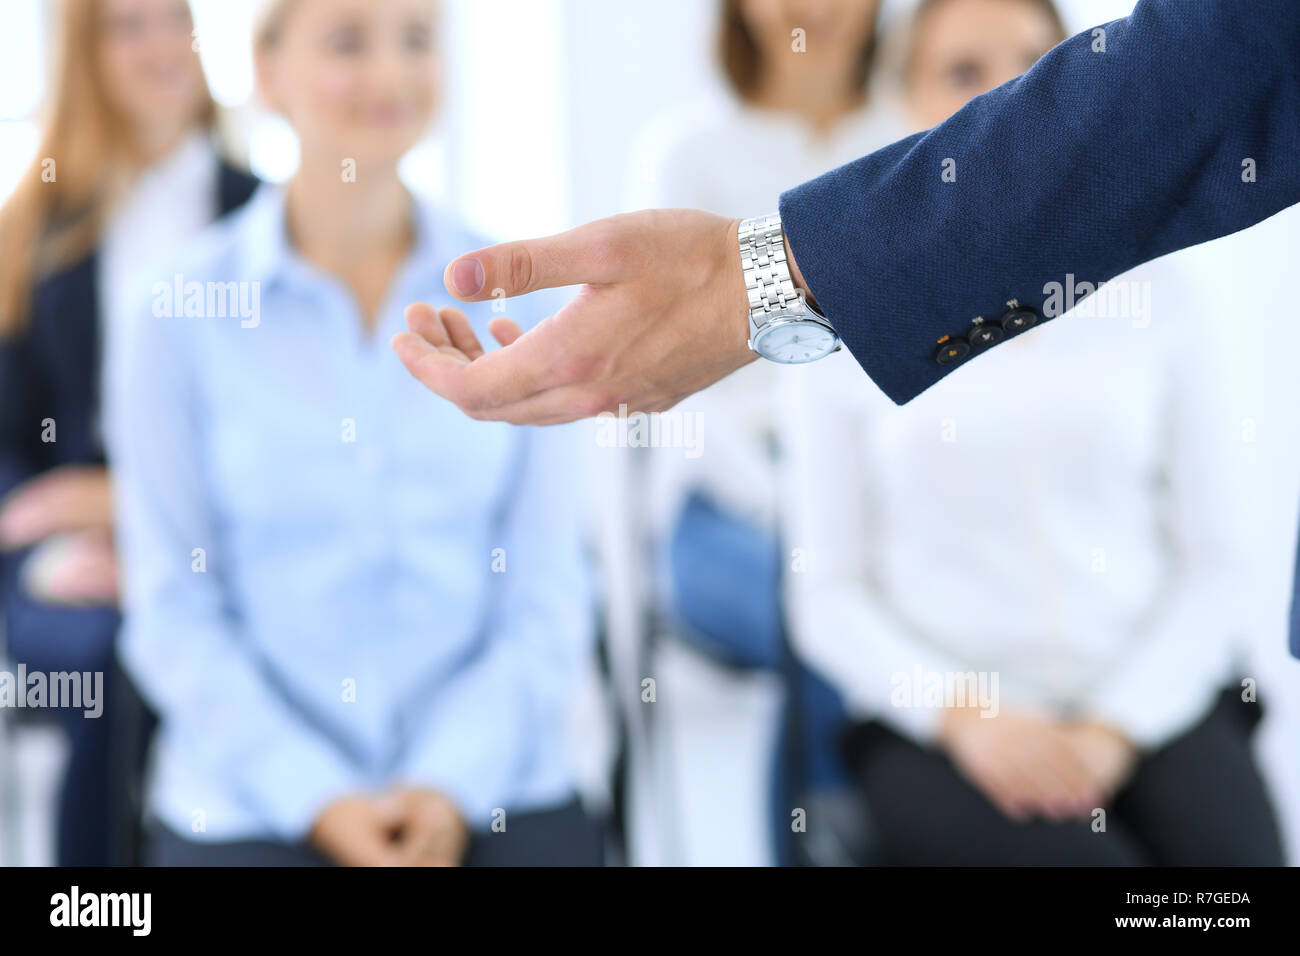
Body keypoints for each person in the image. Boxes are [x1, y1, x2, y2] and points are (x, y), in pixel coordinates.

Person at [392, 0, 1300, 656]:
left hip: (921, 513)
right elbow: (1207, 67)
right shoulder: (697, 148)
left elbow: (1186, 79)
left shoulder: (917, 152)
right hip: (764, 501)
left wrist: (749, 285)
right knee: (839, 620)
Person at [783, 0, 1283, 866]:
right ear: (902, 109)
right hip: (945, 725)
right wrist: (966, 717)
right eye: (962, 73)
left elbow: (1220, 560)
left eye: (1036, 66)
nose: (1008, 97)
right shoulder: (842, 334)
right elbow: (826, 594)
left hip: (1147, 696)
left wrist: (1118, 726)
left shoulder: (1158, 299)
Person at [109, 0, 601, 866]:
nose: (390, 74)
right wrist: (319, 799)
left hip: (495, 790)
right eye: (347, 41)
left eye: (417, 39)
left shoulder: (523, 303)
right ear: (266, 72)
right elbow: (170, 608)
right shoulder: (174, 314)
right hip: (251, 802)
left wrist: (447, 787)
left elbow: (548, 592)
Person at [0, 0, 259, 866]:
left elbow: (290, 434)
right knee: (113, 661)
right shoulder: (32, 232)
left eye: (173, 19)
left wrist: (138, 513)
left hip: (234, 540)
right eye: (127, 24)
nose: (160, 45)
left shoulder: (269, 219)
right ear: (85, 55)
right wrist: (50, 548)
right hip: (67, 554)